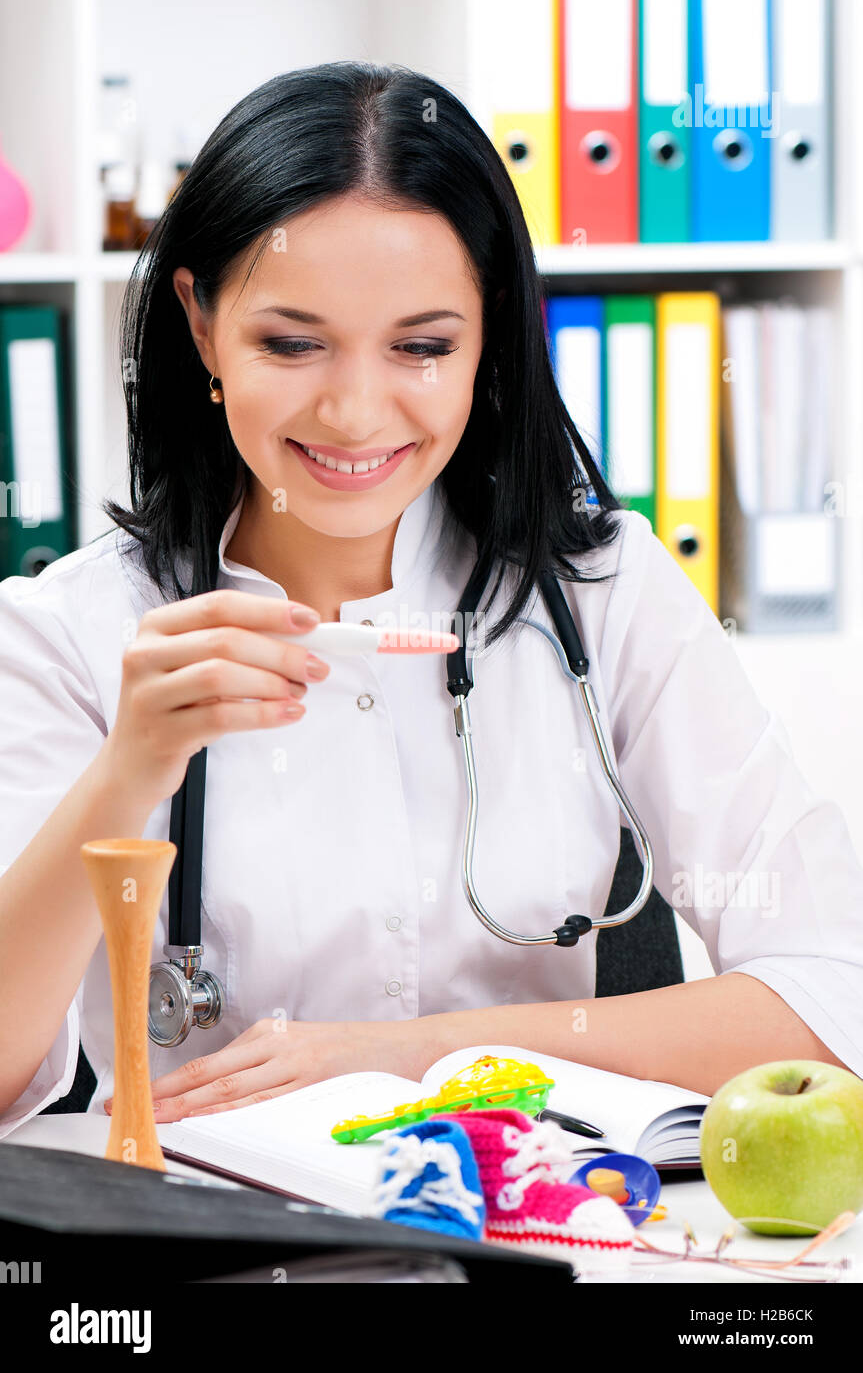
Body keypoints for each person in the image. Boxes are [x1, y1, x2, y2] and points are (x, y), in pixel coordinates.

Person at [1, 62, 860, 1139]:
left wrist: (408, 1059)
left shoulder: (605, 595)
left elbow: (832, 998)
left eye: (421, 345)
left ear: (486, 335)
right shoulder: (66, 635)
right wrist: (129, 771)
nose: (356, 412)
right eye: (291, 341)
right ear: (201, 324)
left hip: (548, 1227)